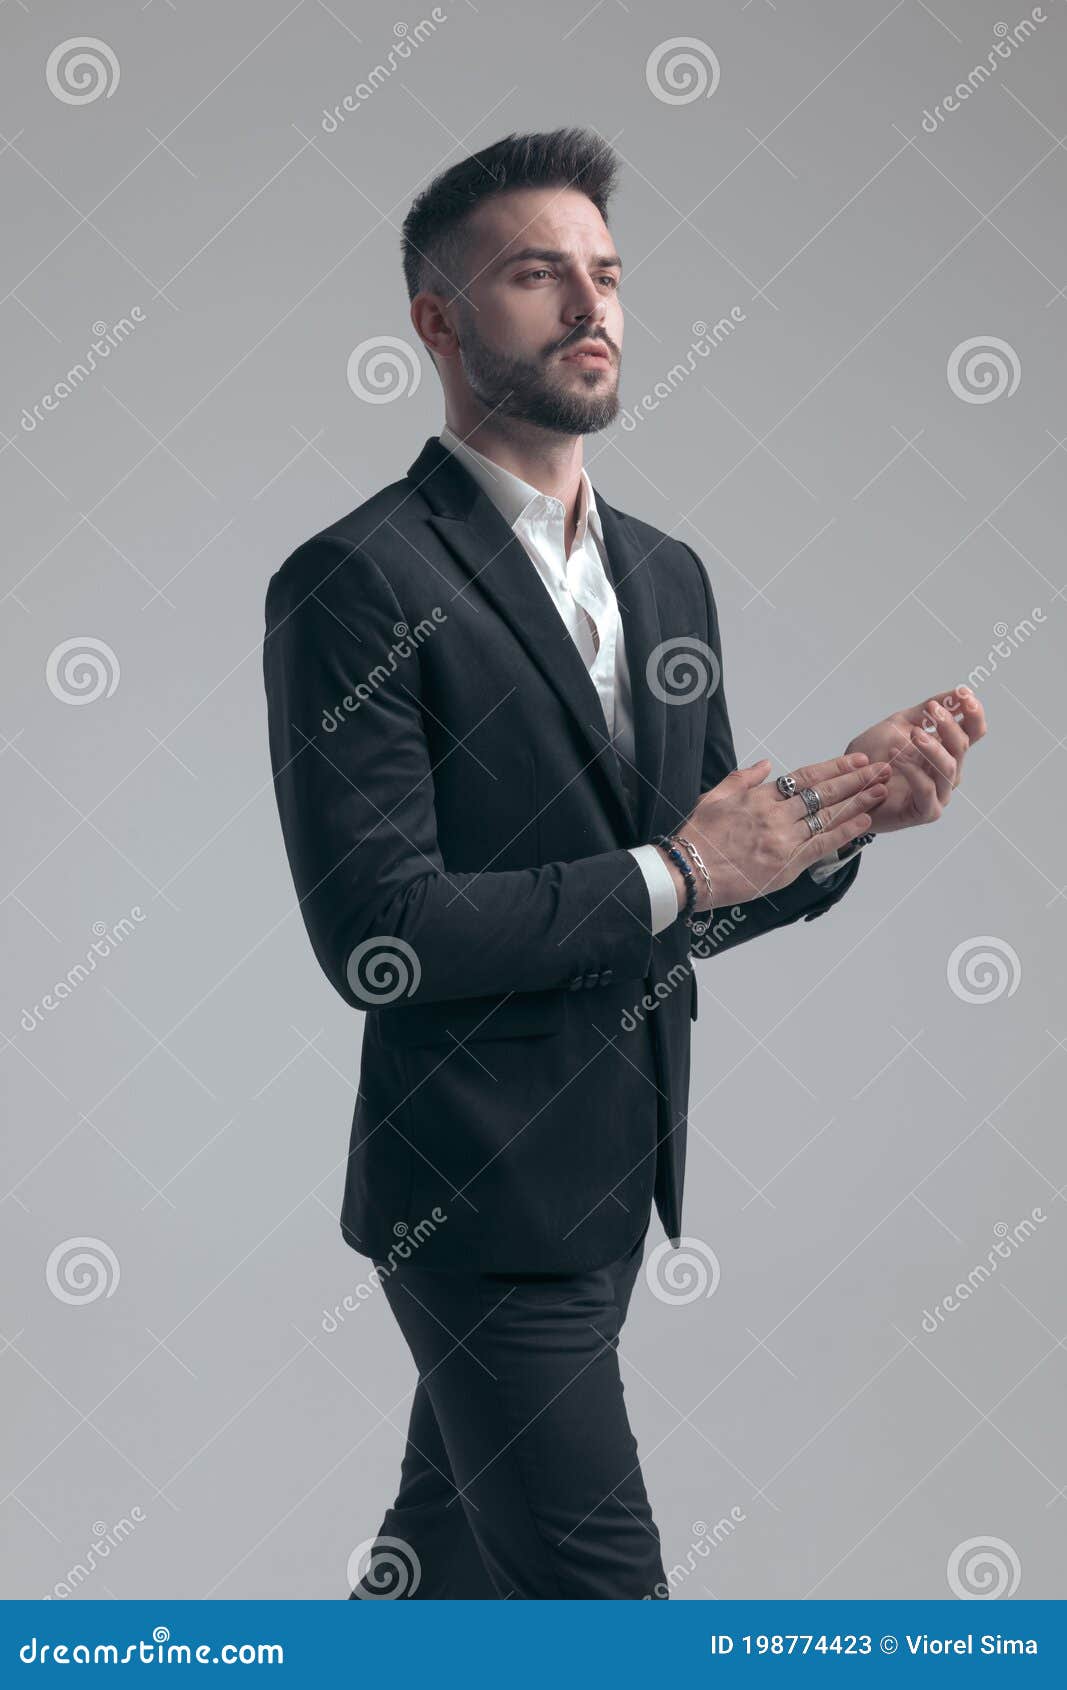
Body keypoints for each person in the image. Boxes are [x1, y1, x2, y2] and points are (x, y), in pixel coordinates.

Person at [261, 127, 987, 1600]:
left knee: (440, 1579)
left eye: (606, 274)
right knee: (610, 1613)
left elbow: (687, 904)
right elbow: (381, 932)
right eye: (539, 275)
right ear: (440, 322)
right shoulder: (356, 579)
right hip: (471, 1203)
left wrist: (846, 812)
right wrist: (684, 868)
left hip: (613, 1186)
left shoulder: (667, 575)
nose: (591, 306)